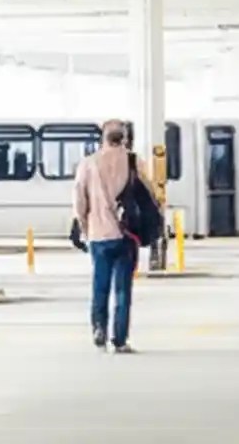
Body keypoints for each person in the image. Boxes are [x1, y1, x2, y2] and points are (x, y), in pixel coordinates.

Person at [73, 119, 147, 353]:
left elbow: (79, 200)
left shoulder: (88, 164)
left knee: (100, 286)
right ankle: (120, 339)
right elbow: (148, 196)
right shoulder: (135, 162)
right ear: (124, 137)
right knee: (123, 289)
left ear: (103, 137)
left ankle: (99, 329)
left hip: (98, 234)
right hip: (127, 234)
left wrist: (84, 226)